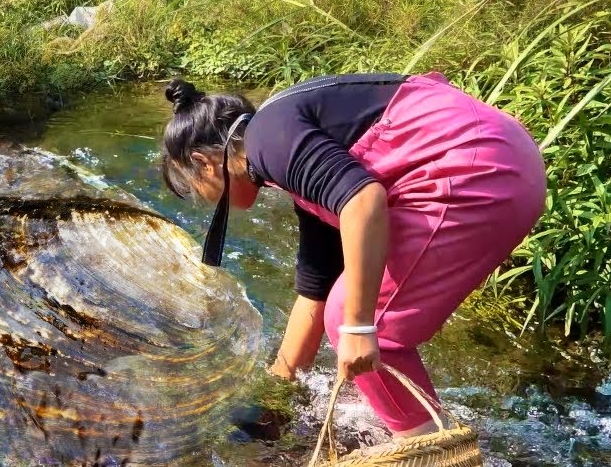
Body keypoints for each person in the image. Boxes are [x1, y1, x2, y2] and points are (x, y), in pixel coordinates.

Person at [159, 71, 546, 437]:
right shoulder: (284, 143)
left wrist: (360, 327)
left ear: (203, 163)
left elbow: (363, 198)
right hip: (507, 159)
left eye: (193, 187)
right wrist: (274, 398)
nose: (201, 198)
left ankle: (427, 456)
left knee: (353, 314)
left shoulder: (269, 140)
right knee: (339, 303)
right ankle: (423, 433)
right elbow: (315, 290)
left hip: (478, 170)